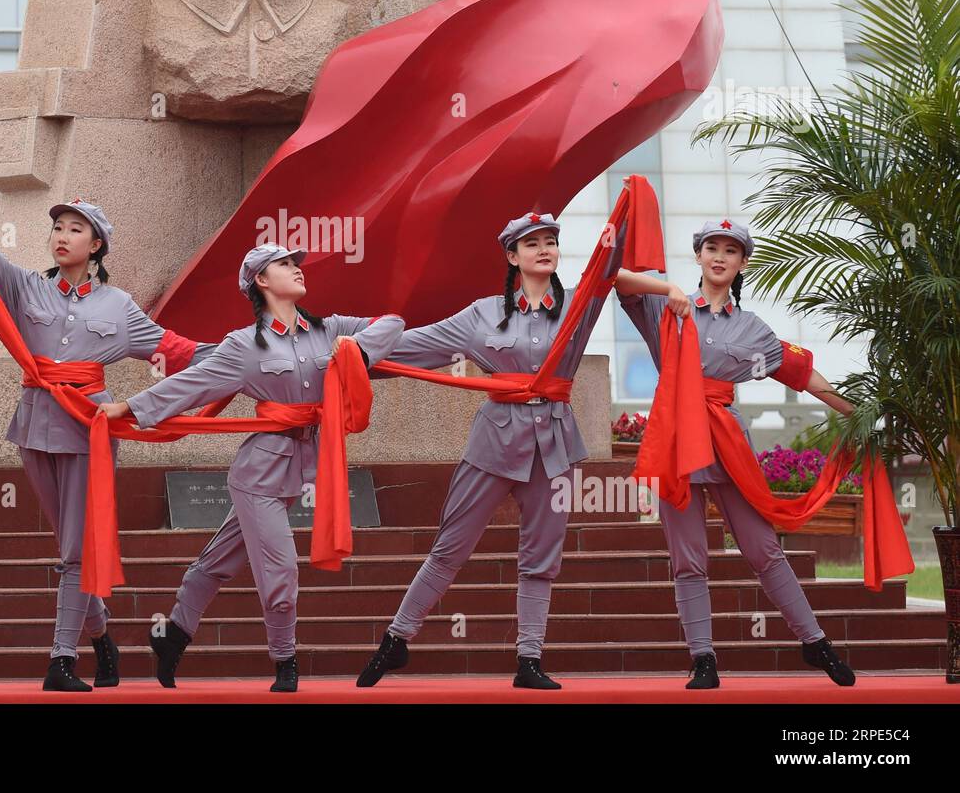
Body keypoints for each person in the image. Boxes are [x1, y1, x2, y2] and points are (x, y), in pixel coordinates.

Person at [0, 152, 215, 692]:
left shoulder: (119, 306)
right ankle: (102, 638)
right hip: (33, 425)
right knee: (69, 548)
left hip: (89, 431)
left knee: (75, 551)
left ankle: (61, 661)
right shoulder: (27, 287)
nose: (62, 236)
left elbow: (178, 350)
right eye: (57, 227)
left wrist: (247, 354)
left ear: (96, 246)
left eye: (75, 229)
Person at [101, 242, 403, 692]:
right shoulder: (243, 346)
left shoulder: (330, 329)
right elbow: (190, 385)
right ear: (261, 280)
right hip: (259, 474)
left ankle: (173, 633)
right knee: (281, 570)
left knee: (216, 564)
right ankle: (285, 662)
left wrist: (354, 350)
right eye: (285, 264)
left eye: (296, 263)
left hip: (302, 465)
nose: (297, 269)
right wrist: (127, 408)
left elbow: (393, 323)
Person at [356, 212, 621, 689]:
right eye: (532, 243)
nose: (544, 249)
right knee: (450, 547)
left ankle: (529, 661)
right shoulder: (482, 314)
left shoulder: (578, 306)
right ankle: (396, 640)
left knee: (541, 557)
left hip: (554, 444)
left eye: (550, 241)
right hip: (495, 442)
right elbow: (414, 346)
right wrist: (352, 355)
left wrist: (651, 260)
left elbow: (611, 269)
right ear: (512, 256)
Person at [614, 217, 857, 689]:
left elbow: (802, 374)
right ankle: (703, 658)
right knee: (688, 559)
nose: (720, 257)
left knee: (764, 549)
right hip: (677, 442)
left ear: (743, 263)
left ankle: (814, 641)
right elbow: (613, 276)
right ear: (699, 256)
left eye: (731, 250)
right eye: (712, 248)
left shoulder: (752, 330)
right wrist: (667, 288)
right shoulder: (665, 306)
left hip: (726, 444)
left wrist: (853, 410)